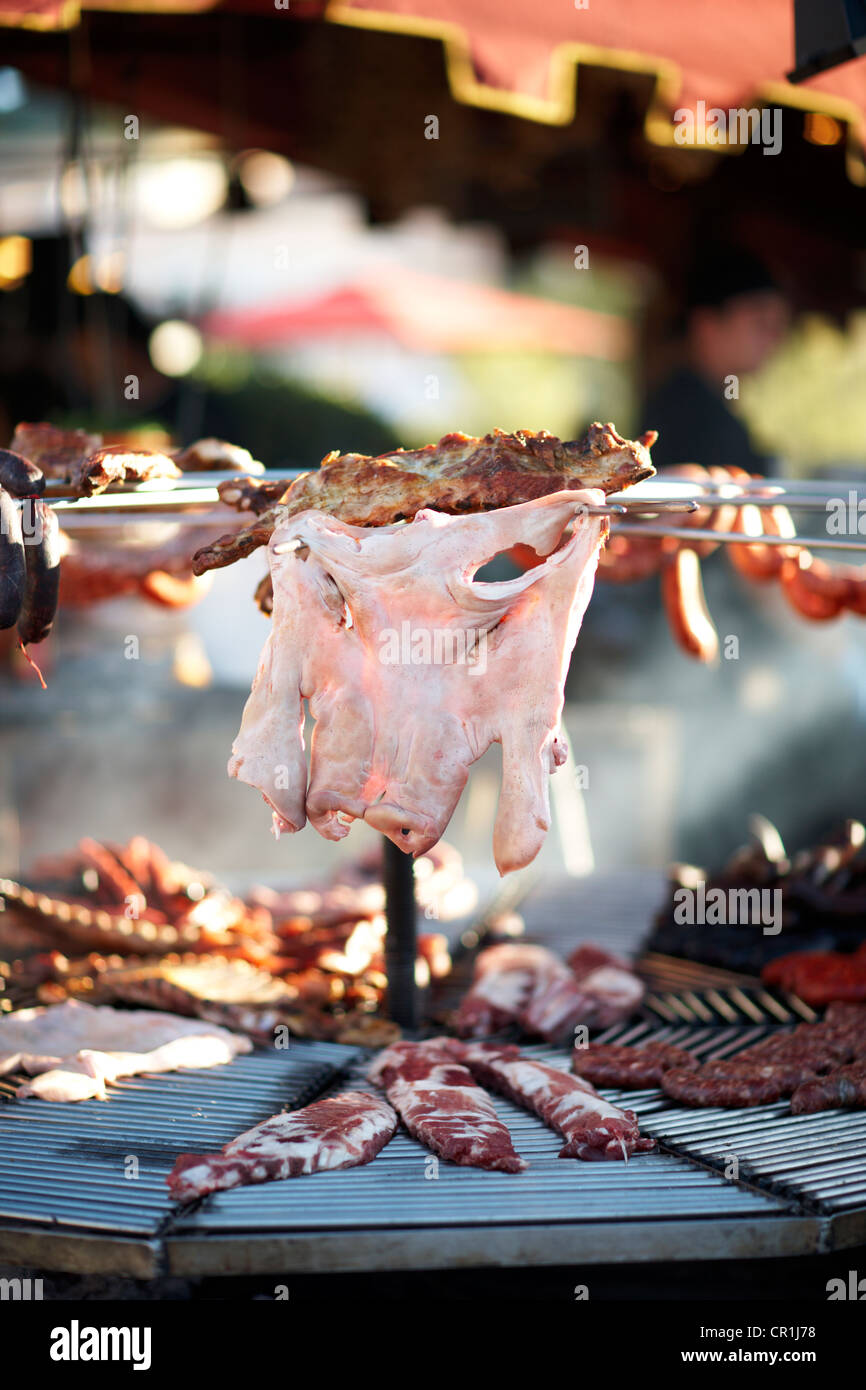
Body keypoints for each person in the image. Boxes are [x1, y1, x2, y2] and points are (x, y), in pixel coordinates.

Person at [641, 247, 790, 473]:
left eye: (778, 326)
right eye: (760, 323)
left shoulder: (702, 402)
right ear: (707, 324)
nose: (773, 338)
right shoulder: (687, 412)